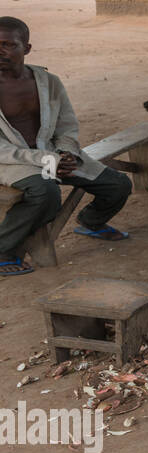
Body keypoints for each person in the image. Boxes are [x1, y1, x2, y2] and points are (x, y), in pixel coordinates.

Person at [0, 17, 132, 276]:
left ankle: (91, 221)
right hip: (10, 161)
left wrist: (65, 153)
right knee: (46, 194)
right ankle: (3, 249)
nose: (0, 51)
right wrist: (45, 161)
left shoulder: (48, 82)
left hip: (52, 154)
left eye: (8, 44)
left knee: (118, 185)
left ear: (26, 48)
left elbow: (67, 125)